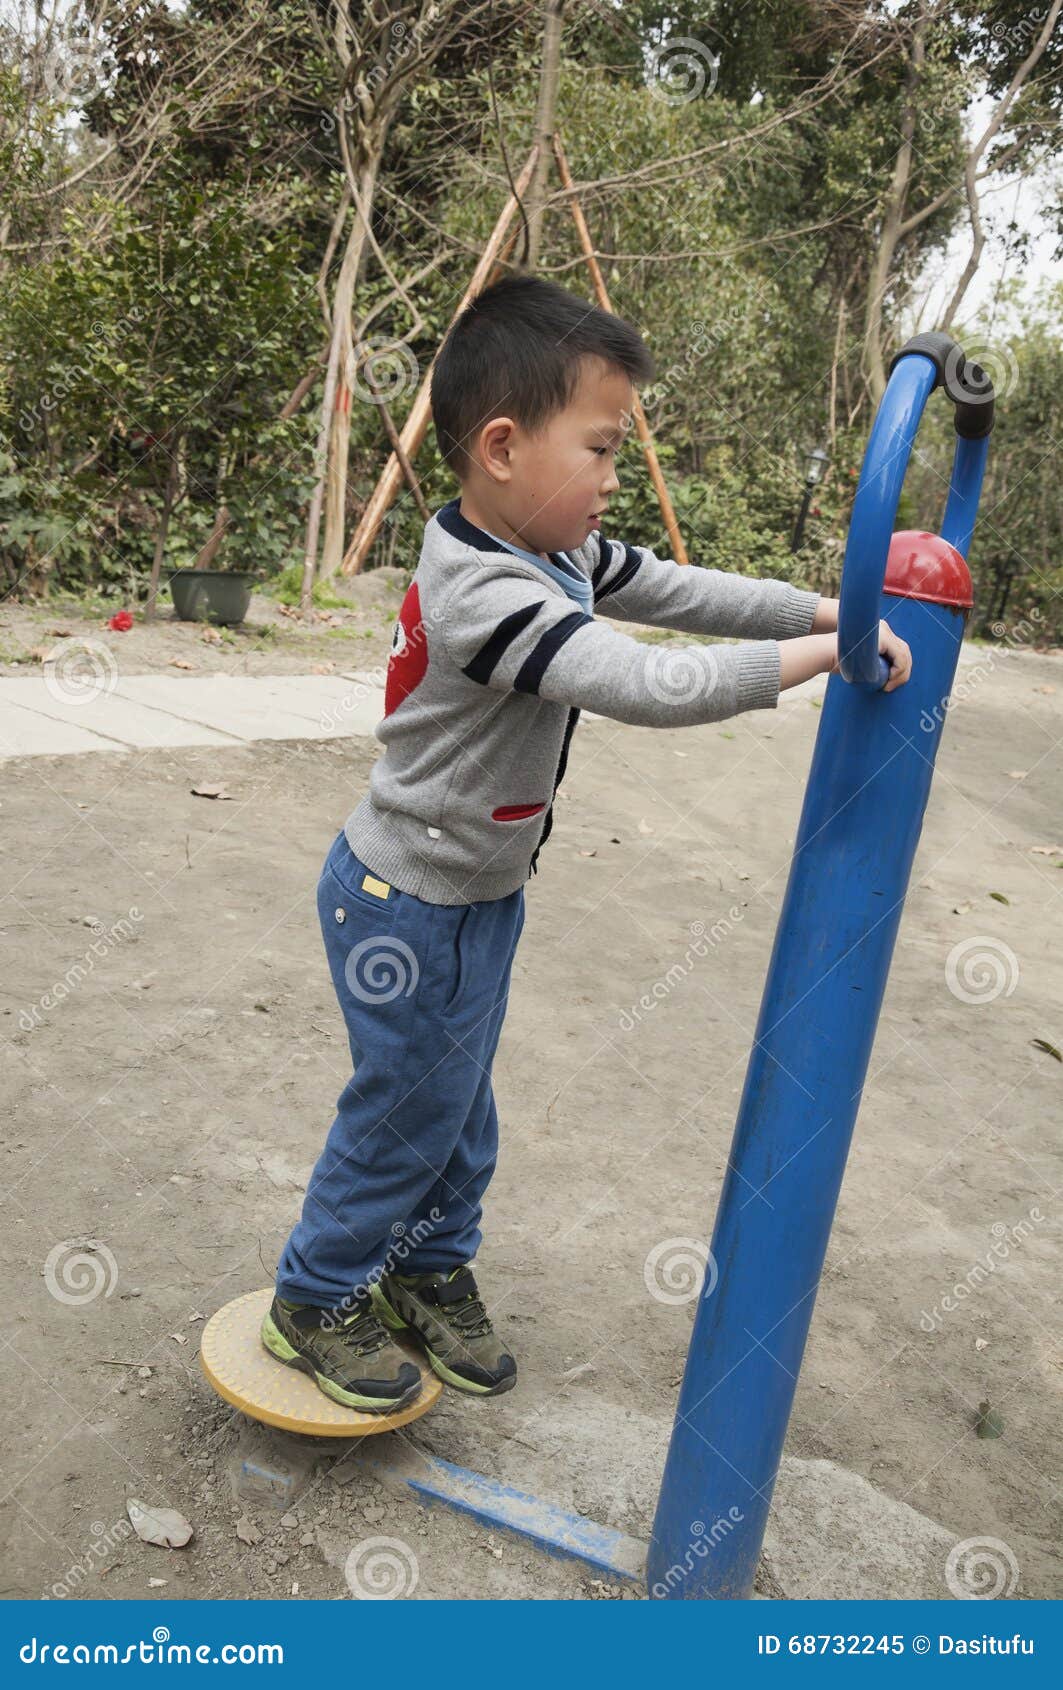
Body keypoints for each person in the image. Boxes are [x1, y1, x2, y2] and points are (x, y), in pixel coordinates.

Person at [262, 274, 912, 1413]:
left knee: (458, 1108)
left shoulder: (559, 554)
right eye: (601, 449)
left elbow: (681, 591)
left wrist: (825, 607)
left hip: (474, 897)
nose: (615, 477)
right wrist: (830, 656)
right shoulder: (483, 592)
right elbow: (644, 683)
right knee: (407, 1113)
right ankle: (315, 1295)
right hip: (405, 904)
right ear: (502, 447)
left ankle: (424, 1264)